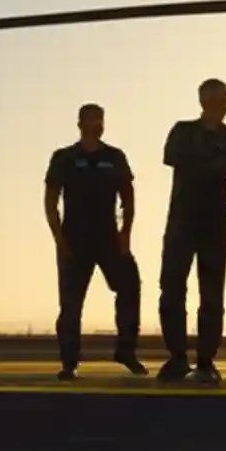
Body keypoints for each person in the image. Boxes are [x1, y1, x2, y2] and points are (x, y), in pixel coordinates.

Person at [44, 103, 145, 381]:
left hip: (108, 236)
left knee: (129, 286)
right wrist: (58, 238)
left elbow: (128, 197)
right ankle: (69, 362)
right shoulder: (63, 158)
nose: (96, 125)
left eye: (100, 120)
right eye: (91, 120)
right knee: (71, 302)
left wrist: (126, 234)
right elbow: (51, 199)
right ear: (80, 123)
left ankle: (126, 350)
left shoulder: (114, 157)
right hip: (74, 238)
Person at [156, 78, 226, 383]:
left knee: (212, 294)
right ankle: (177, 357)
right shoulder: (183, 131)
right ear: (206, 101)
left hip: (214, 223)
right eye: (221, 99)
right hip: (182, 220)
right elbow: (174, 158)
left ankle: (206, 361)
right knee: (172, 288)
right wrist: (217, 162)